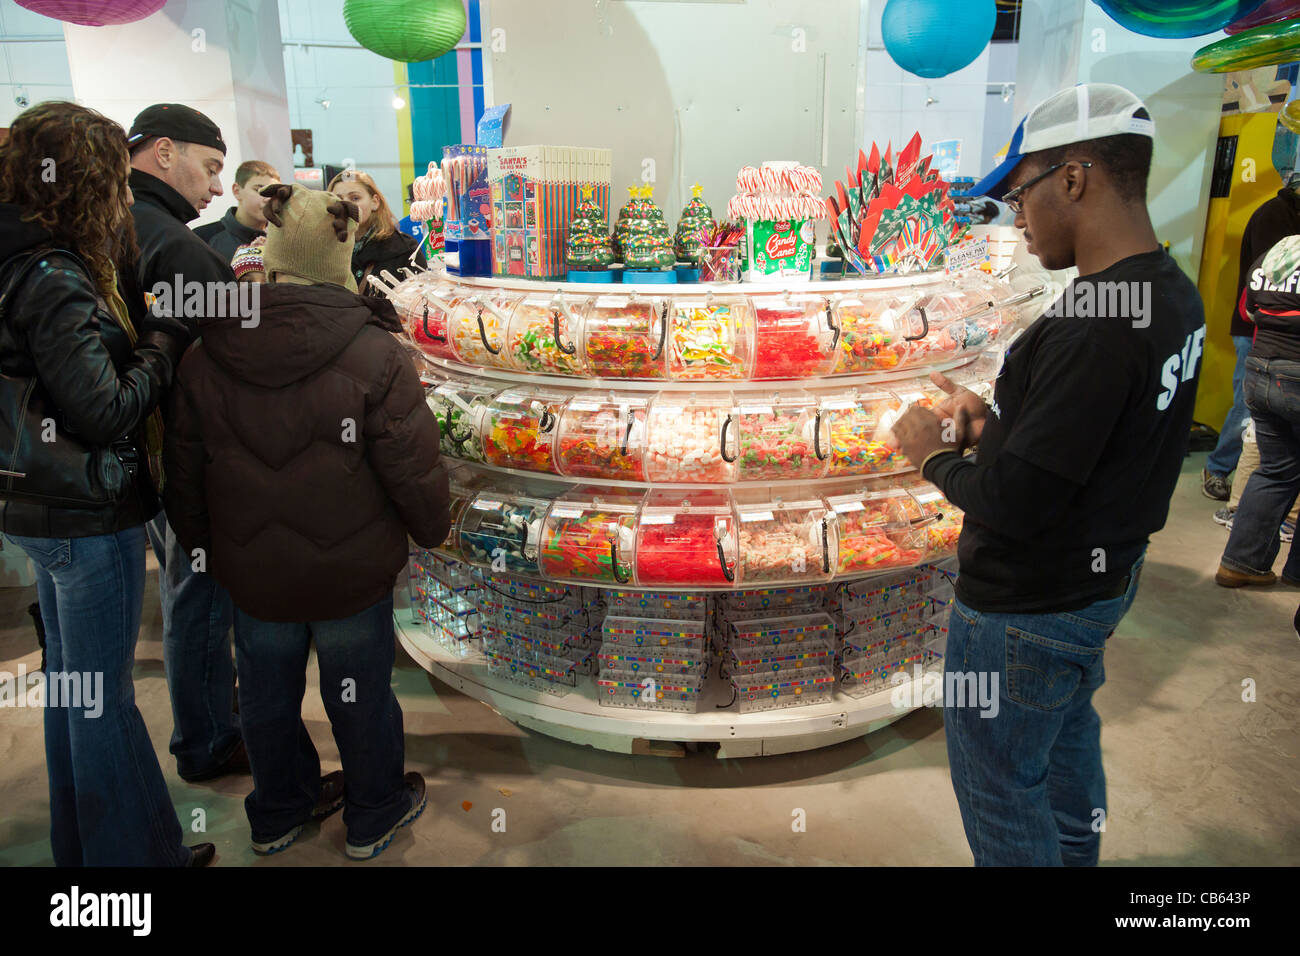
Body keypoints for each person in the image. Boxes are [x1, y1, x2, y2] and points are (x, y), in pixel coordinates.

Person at [891, 84, 1204, 866]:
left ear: (1074, 179)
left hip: (1024, 607)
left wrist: (931, 454)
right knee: (1062, 758)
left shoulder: (1094, 326)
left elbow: (1016, 504)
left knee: (1001, 792)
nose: (1015, 218)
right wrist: (992, 424)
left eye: (1020, 193)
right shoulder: (1167, 292)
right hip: (1098, 584)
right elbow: (1092, 446)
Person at [163, 183, 450, 859]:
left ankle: (278, 812)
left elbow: (183, 472)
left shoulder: (208, 353)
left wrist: (208, 549)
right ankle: (374, 811)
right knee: (359, 696)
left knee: (263, 696)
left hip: (253, 572)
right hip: (351, 569)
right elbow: (412, 463)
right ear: (341, 254)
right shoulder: (374, 352)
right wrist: (431, 529)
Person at [0, 101, 212, 867]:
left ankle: (84, 853)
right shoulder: (53, 274)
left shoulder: (17, 255)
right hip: (86, 511)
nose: (125, 199)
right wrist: (160, 337)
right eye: (115, 182)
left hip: (35, 501)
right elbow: (104, 407)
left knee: (71, 693)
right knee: (103, 703)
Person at [125, 103, 245, 783]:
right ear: (164, 152)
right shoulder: (170, 240)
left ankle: (206, 731)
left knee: (183, 592)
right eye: (211, 167)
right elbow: (234, 345)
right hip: (184, 452)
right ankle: (208, 741)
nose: (218, 187)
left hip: (144, 444)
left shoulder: (127, 225)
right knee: (199, 597)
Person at [1202, 176, 1300, 502]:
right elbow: (1270, 280)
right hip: (1255, 329)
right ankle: (1218, 469)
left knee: (1259, 417)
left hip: (1274, 332)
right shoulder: (1274, 216)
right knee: (1249, 409)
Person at [1216, 235, 1300, 587]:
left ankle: (1240, 564)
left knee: (1275, 471)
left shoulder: (1278, 250)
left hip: (1261, 368)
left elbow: (1245, 310)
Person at [327, 169, 426, 291]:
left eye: (355, 198)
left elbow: (420, 302)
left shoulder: (404, 248)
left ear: (375, 202)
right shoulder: (326, 249)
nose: (346, 204)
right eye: (338, 199)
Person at [194, 159, 280, 260]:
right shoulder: (202, 238)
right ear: (237, 191)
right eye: (259, 190)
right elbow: (178, 275)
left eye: (274, 192)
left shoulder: (284, 240)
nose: (268, 199)